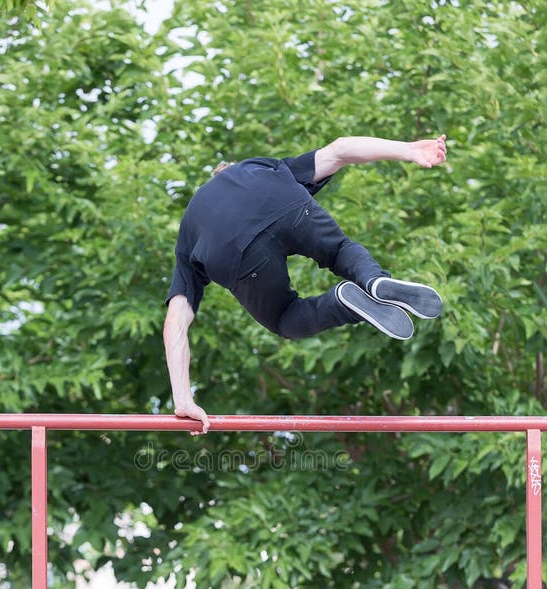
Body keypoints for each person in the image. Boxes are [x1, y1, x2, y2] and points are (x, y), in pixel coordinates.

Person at [164, 133, 447, 432]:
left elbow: (177, 321)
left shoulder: (190, 226)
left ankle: (341, 303)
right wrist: (409, 149)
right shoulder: (262, 167)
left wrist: (183, 398)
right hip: (281, 200)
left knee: (284, 318)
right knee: (339, 251)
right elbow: (341, 149)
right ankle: (374, 280)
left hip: (231, 251)